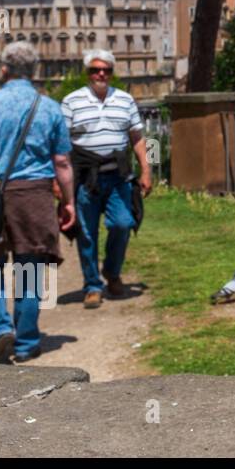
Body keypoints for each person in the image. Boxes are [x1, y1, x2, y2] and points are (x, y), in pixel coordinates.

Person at [0, 42, 74, 363]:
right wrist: (69, 202)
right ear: (34, 71)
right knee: (30, 269)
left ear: (4, 69)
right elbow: (62, 162)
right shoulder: (49, 108)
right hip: (35, 195)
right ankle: (25, 342)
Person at [61, 50, 152, 308]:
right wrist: (60, 181)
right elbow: (60, 144)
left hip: (118, 176)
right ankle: (92, 285)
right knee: (86, 233)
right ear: (87, 72)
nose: (101, 74)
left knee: (123, 223)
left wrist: (147, 169)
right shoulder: (71, 101)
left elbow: (139, 137)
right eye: (95, 69)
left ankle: (112, 272)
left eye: (106, 70)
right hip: (85, 177)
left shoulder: (125, 100)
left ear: (112, 73)